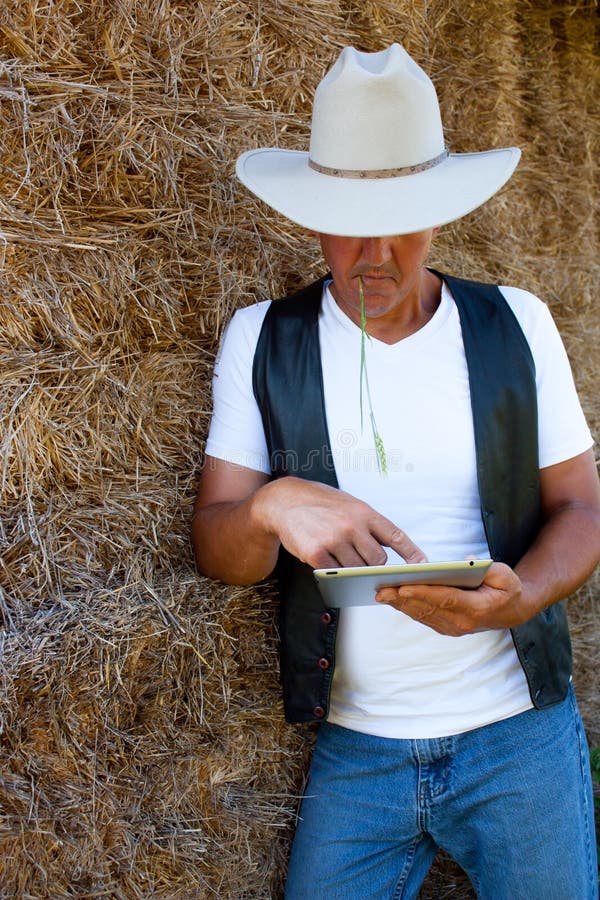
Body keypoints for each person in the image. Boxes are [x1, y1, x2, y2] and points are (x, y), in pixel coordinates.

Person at [192, 43, 600, 899]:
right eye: (348, 222)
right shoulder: (263, 340)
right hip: (359, 748)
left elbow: (582, 509)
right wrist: (269, 506)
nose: (373, 254)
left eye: (402, 220)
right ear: (312, 218)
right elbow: (220, 553)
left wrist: (522, 595)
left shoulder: (516, 324)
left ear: (439, 215)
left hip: (518, 736)